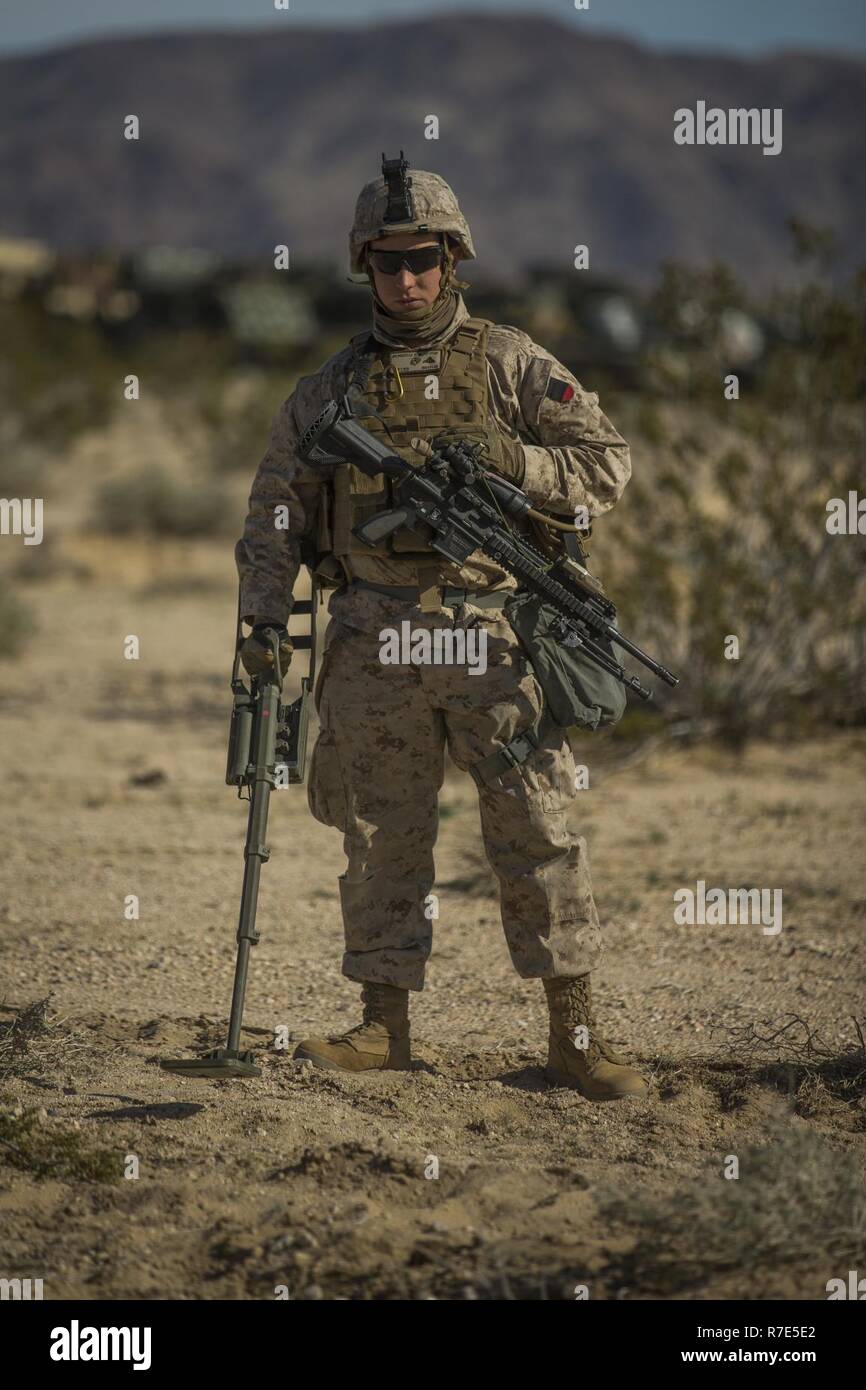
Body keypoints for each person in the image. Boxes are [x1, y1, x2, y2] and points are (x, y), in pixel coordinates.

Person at [235, 154, 646, 1101]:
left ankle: (575, 1037)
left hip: (492, 632)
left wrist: (511, 459)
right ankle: (384, 1029)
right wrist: (264, 626)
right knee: (379, 837)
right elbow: (276, 518)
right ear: (363, 268)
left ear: (453, 258)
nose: (407, 280)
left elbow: (608, 468)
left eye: (423, 258)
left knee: (536, 831)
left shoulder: (510, 365)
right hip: (372, 638)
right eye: (388, 263)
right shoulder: (327, 392)